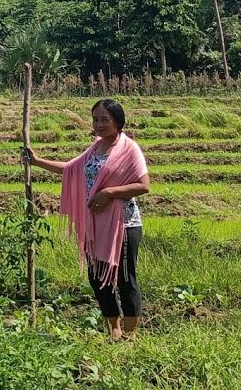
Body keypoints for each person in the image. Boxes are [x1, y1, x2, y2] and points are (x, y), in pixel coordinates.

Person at [24, 98, 150, 339]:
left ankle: (131, 334)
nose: (99, 124)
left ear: (117, 121)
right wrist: (37, 161)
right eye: (95, 119)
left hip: (124, 224)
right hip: (96, 224)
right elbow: (71, 168)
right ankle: (114, 328)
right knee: (97, 278)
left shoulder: (129, 148)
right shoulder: (95, 147)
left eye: (105, 119)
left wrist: (109, 193)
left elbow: (144, 186)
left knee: (124, 277)